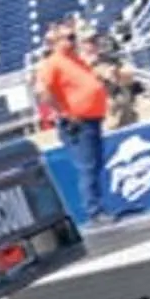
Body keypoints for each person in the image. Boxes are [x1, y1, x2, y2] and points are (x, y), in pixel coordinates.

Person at [35, 23, 113, 224]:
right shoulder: (52, 63)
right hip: (77, 122)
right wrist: (64, 113)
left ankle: (96, 206)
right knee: (87, 166)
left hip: (92, 119)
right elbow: (44, 92)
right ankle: (93, 211)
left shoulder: (75, 60)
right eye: (68, 38)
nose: (72, 41)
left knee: (94, 165)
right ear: (55, 42)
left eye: (72, 37)